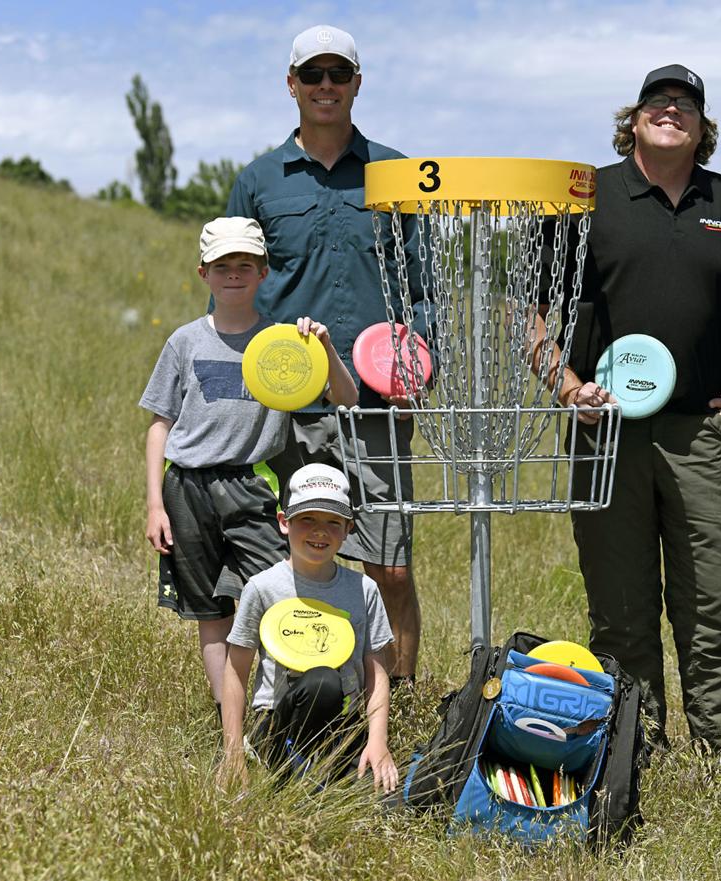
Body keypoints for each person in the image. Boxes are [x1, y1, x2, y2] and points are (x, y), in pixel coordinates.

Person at [544, 64, 721, 779]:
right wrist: (565, 384)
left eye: (685, 104)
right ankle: (634, 760)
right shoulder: (584, 197)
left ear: (702, 126)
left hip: (695, 431)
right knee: (621, 612)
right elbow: (527, 306)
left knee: (714, 605)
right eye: (658, 101)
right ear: (633, 119)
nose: (671, 110)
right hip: (604, 431)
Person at [226, 24, 425, 686]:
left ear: (357, 84)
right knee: (298, 559)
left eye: (339, 73)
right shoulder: (258, 181)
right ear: (292, 85)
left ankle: (394, 708)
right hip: (291, 405)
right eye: (313, 74)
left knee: (389, 565)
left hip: (378, 405)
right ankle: (299, 704)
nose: (326, 85)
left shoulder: (398, 176)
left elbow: (422, 291)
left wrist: (419, 370)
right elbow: (234, 290)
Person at [141, 216, 357, 717]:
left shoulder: (288, 343)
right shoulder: (184, 341)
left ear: (264, 272)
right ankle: (229, 721)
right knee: (210, 614)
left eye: (245, 265)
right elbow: (160, 425)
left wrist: (324, 347)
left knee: (280, 599)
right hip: (187, 488)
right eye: (222, 266)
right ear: (204, 274)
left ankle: (284, 709)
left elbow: (344, 399)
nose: (233, 274)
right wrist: (155, 503)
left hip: (253, 486)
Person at [217, 463, 398, 792]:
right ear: (284, 523)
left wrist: (378, 743)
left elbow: (377, 673)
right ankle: (283, 763)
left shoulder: (363, 589)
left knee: (377, 799)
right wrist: (232, 755)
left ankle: (326, 768)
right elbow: (235, 671)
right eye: (307, 520)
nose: (320, 531)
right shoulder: (262, 587)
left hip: (344, 722)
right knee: (323, 680)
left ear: (348, 529)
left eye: (333, 522)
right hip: (277, 719)